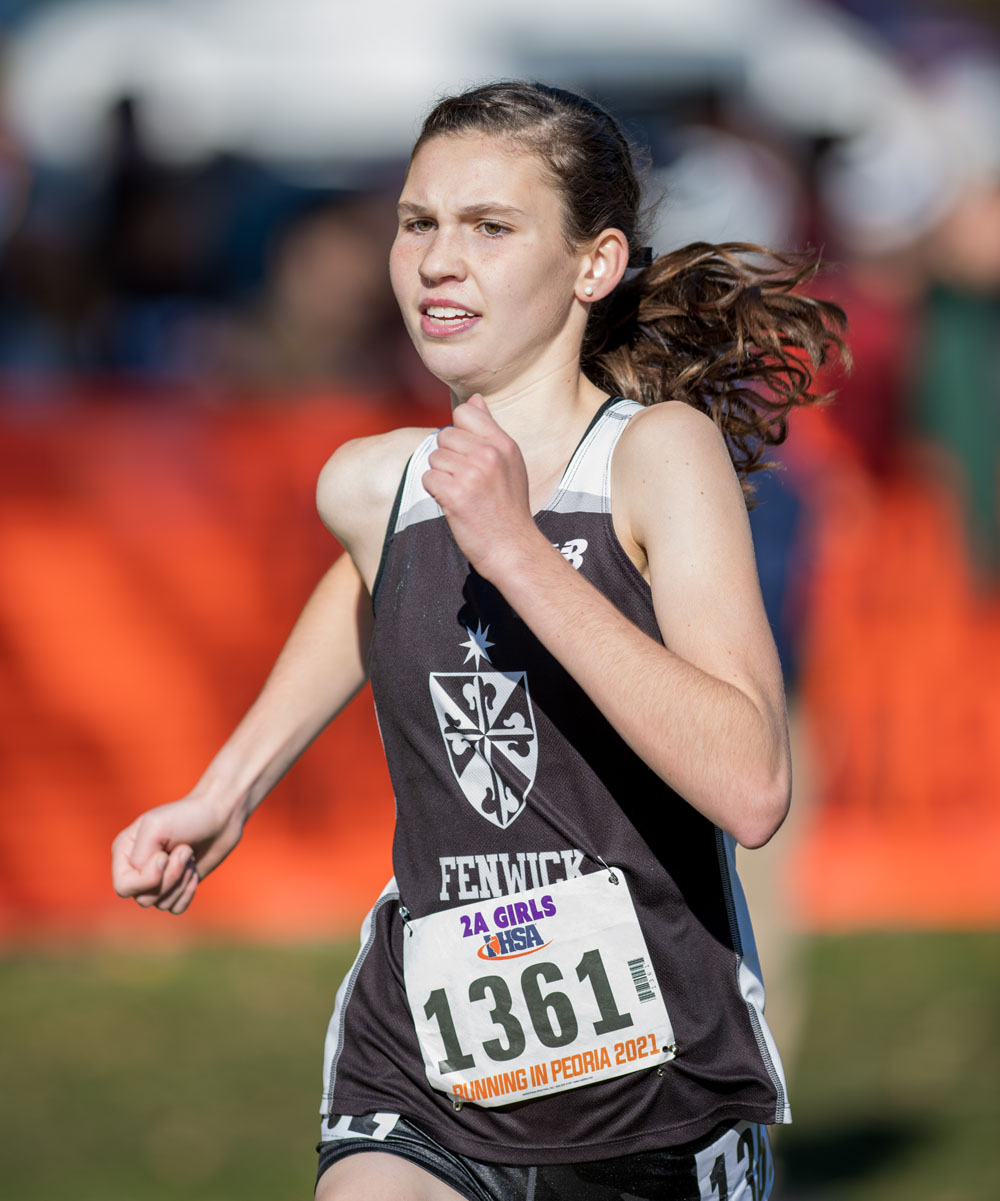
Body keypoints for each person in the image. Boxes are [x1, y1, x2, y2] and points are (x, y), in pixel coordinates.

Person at [111, 81, 846, 1201]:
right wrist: (228, 788)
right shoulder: (378, 483)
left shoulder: (656, 457)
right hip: (426, 1063)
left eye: (490, 228)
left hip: (656, 1083)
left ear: (593, 265)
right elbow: (366, 583)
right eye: (417, 223)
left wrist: (517, 551)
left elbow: (748, 785)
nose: (436, 262)